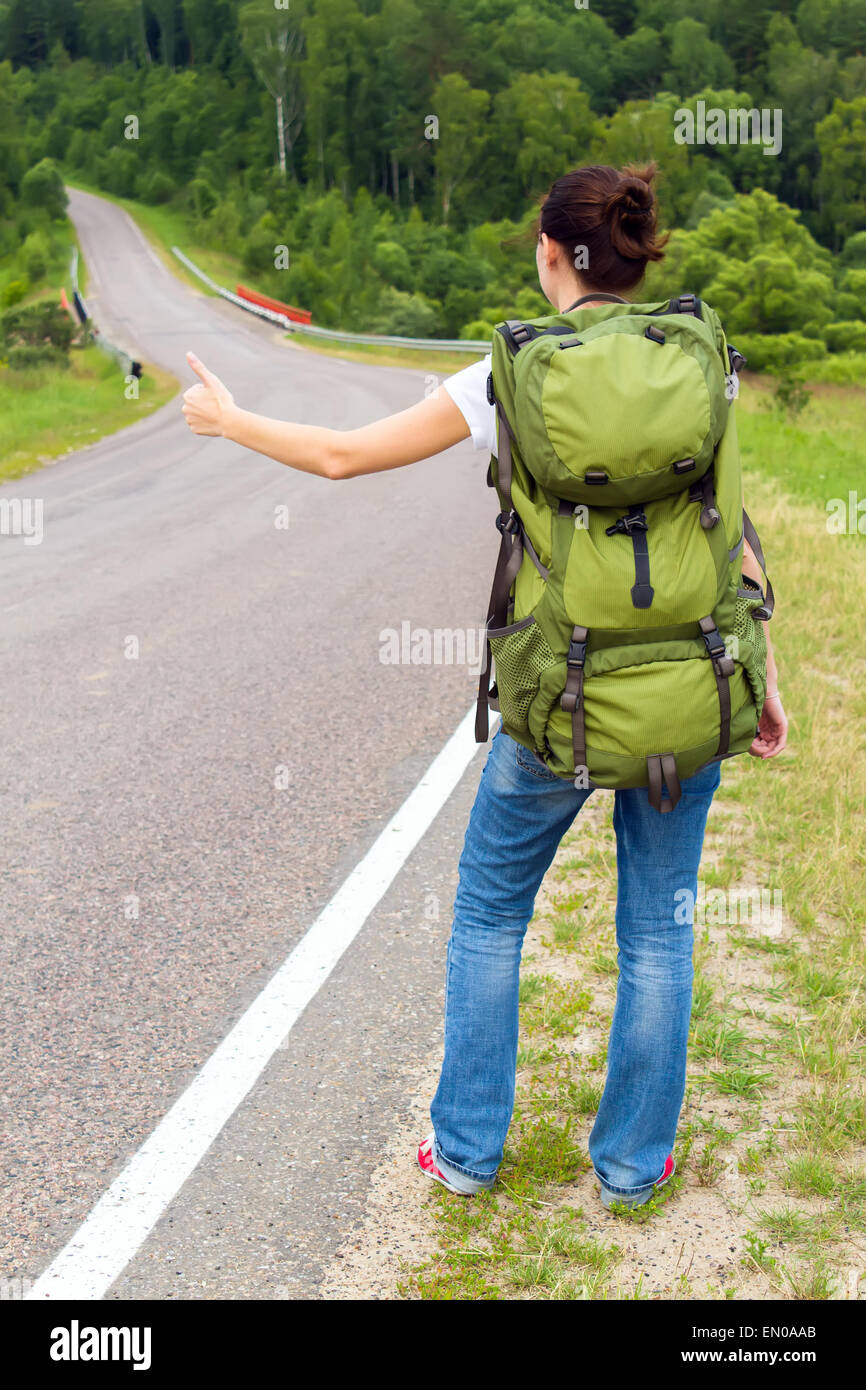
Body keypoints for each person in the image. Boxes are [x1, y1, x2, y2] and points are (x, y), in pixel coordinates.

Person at [182, 162, 788, 1211]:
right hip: (691, 683)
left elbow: (338, 456)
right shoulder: (703, 360)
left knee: (488, 914)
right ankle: (633, 1169)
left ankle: (465, 1153)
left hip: (558, 695)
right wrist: (761, 678)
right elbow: (725, 527)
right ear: (636, 258)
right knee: (658, 928)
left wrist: (228, 420)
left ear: (548, 252)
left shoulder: (508, 370)